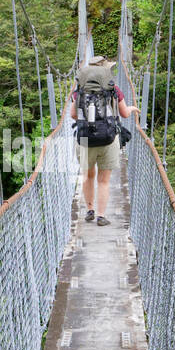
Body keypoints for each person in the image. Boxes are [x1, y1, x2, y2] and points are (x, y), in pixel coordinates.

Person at [70, 55, 137, 226]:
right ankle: (101, 216)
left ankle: (90, 210)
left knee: (88, 176)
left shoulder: (79, 90)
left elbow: (73, 115)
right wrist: (131, 108)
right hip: (108, 139)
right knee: (104, 181)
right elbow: (124, 114)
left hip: (85, 139)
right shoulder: (114, 89)